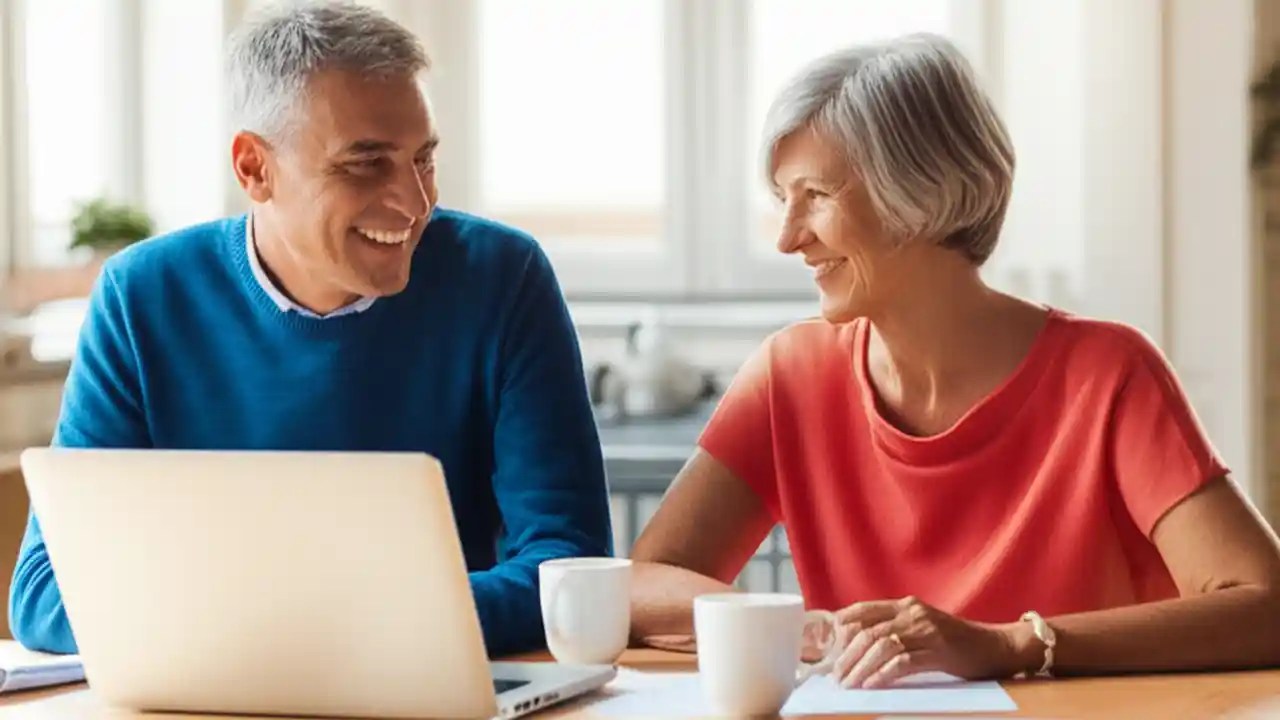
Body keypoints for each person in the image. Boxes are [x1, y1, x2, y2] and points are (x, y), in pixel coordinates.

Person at [629, 33, 1280, 686]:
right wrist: (808, 630)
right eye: (783, 199)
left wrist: (1009, 645)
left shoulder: (1107, 376)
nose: (787, 237)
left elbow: (1265, 606)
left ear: (919, 192)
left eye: (817, 196)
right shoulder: (789, 375)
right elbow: (640, 584)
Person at [9, 1, 611, 656]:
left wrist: (315, 626)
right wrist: (328, 625)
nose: (415, 203)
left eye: (423, 159)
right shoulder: (140, 297)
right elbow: (43, 592)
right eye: (365, 163)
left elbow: (570, 568)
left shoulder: (503, 277)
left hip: (424, 687)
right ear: (254, 169)